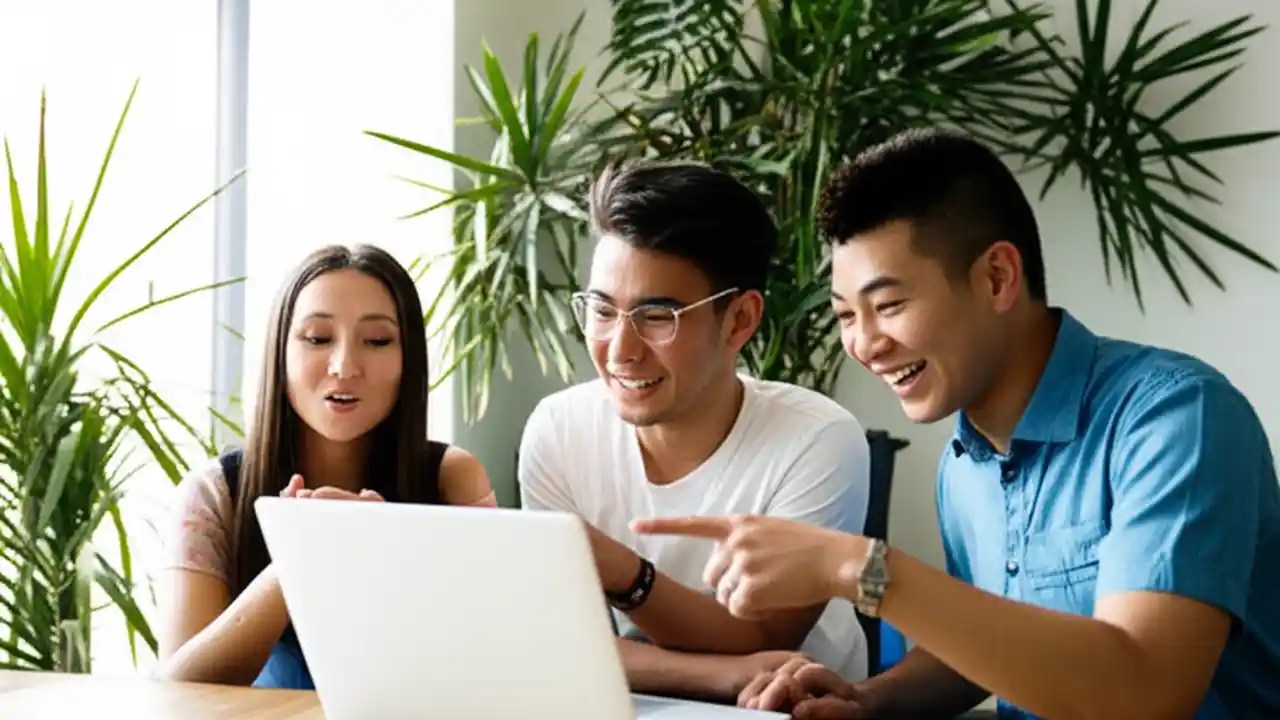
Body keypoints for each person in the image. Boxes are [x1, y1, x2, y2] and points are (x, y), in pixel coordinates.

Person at [636, 128, 1280, 719]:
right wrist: (863, 701)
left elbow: (1145, 690)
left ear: (997, 277)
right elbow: (986, 648)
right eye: (844, 315)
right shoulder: (965, 463)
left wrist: (859, 567)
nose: (864, 344)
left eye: (887, 305)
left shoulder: (1174, 417)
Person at [517, 161, 872, 703]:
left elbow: (767, 642)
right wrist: (717, 675)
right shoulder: (558, 432)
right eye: (603, 310)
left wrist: (623, 572)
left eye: (658, 316)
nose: (620, 350)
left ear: (740, 321)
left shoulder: (817, 439)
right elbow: (560, 642)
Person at [156, 244, 497, 688]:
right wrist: (300, 556)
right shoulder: (214, 493)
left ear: (408, 358)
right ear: (281, 352)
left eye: (377, 341)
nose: (344, 366)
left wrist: (391, 556)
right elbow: (179, 690)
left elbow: (490, 662)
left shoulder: (452, 478)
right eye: (317, 339)